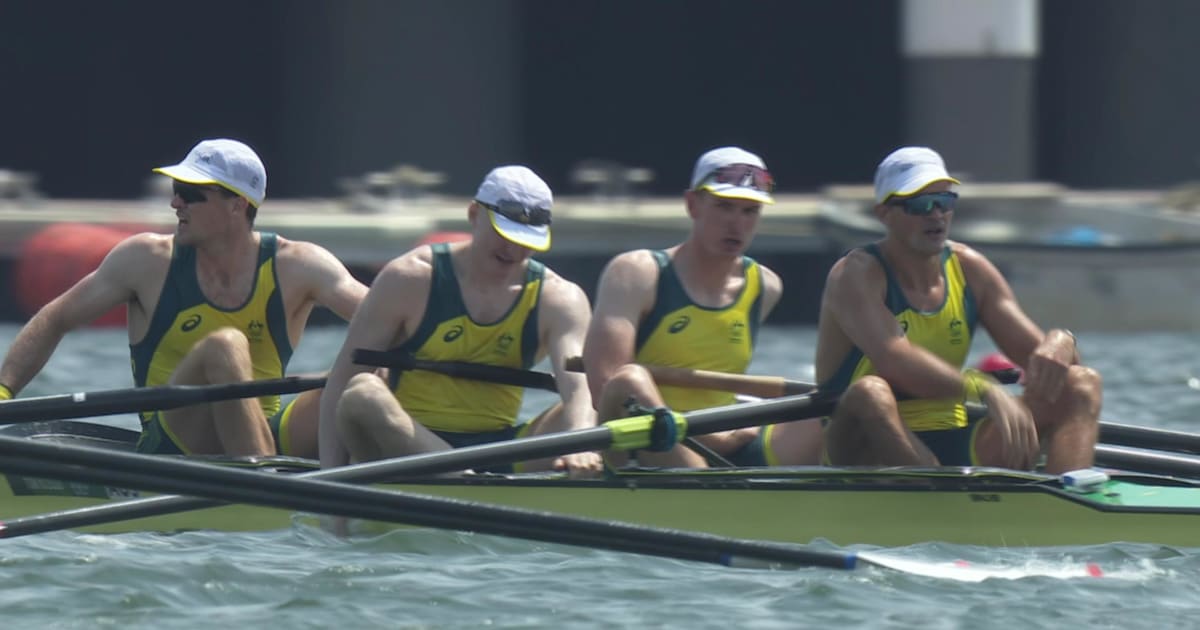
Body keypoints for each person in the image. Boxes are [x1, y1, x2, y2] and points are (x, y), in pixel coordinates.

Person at [0, 138, 367, 457]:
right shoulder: (145, 261)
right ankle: (264, 486)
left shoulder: (298, 265)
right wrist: (3, 392)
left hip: (262, 431)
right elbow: (56, 318)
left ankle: (404, 460)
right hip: (174, 442)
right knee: (225, 345)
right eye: (176, 189)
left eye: (191, 194)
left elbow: (384, 318)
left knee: (363, 377)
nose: (176, 202)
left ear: (237, 204)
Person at [815, 146, 1102, 473]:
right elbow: (894, 360)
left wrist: (1062, 341)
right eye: (920, 204)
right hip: (862, 445)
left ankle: (1065, 510)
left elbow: (1050, 373)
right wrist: (982, 388)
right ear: (884, 214)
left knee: (1081, 383)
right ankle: (937, 498)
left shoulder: (971, 269)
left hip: (952, 434)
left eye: (945, 202)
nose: (935, 215)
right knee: (871, 392)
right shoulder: (856, 274)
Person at [319, 165, 603, 476]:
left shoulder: (559, 298)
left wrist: (581, 444)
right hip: (405, 446)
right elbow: (339, 384)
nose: (515, 249)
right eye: (504, 233)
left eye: (527, 240)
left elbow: (579, 389)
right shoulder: (411, 278)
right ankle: (467, 483)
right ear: (473, 214)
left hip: (503, 450)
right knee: (361, 392)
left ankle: (473, 482)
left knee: (605, 399)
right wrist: (331, 498)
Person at [582, 146, 823, 468]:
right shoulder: (636, 272)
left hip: (730, 438)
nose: (736, 224)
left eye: (749, 211)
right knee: (630, 380)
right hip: (647, 440)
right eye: (724, 207)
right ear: (692, 204)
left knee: (844, 402)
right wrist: (710, 436)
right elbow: (606, 389)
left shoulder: (766, 286)